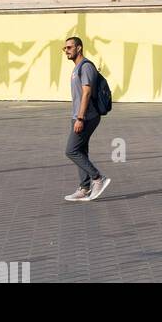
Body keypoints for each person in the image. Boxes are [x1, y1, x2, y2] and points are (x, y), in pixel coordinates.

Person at [62, 36, 110, 201]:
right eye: (65, 48)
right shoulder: (77, 68)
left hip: (86, 117)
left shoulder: (86, 66)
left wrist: (80, 118)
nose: (66, 51)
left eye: (69, 47)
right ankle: (84, 188)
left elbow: (87, 93)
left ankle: (98, 178)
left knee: (71, 150)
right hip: (78, 116)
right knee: (81, 150)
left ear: (79, 48)